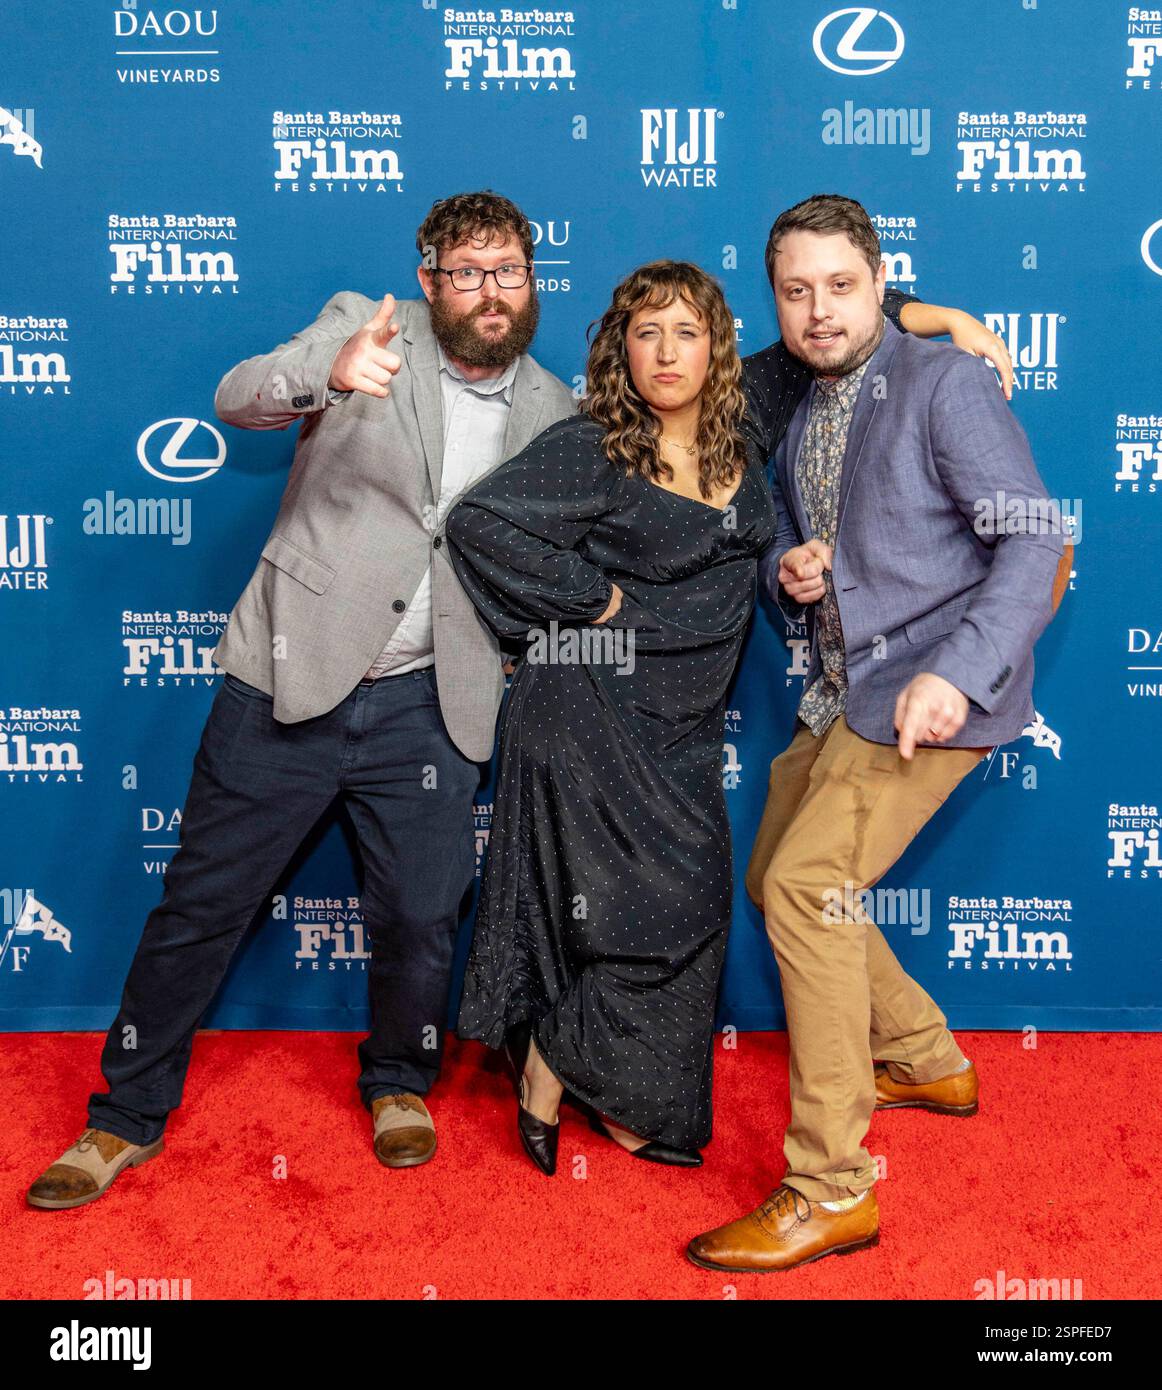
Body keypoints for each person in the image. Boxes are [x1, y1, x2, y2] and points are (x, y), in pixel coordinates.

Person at [26, 191, 575, 1209]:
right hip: (287, 677)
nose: (488, 291)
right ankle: (122, 1115)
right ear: (429, 280)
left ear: (532, 280)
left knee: (419, 915)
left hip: (432, 705)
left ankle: (400, 1081)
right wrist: (320, 374)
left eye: (508, 270)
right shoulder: (360, 328)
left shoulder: (556, 409)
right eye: (466, 271)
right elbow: (237, 396)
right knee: (200, 906)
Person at [686, 194, 1066, 1273]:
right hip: (841, 691)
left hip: (929, 698)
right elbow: (821, 560)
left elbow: (1035, 541)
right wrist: (785, 574)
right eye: (795, 293)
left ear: (879, 282)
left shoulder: (944, 383)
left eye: (840, 287)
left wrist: (957, 671)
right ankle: (922, 1053)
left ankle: (830, 1187)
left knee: (807, 886)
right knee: (775, 876)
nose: (818, 311)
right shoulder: (802, 407)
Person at [445, 260, 777, 1172]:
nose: (668, 353)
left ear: (717, 346)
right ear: (619, 349)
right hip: (584, 708)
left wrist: (935, 314)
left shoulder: (746, 424)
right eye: (646, 332)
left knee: (685, 900)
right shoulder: (595, 446)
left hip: (682, 720)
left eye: (687, 332)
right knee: (596, 909)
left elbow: (830, 332)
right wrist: (589, 602)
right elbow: (480, 523)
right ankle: (570, 1078)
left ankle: (578, 1070)